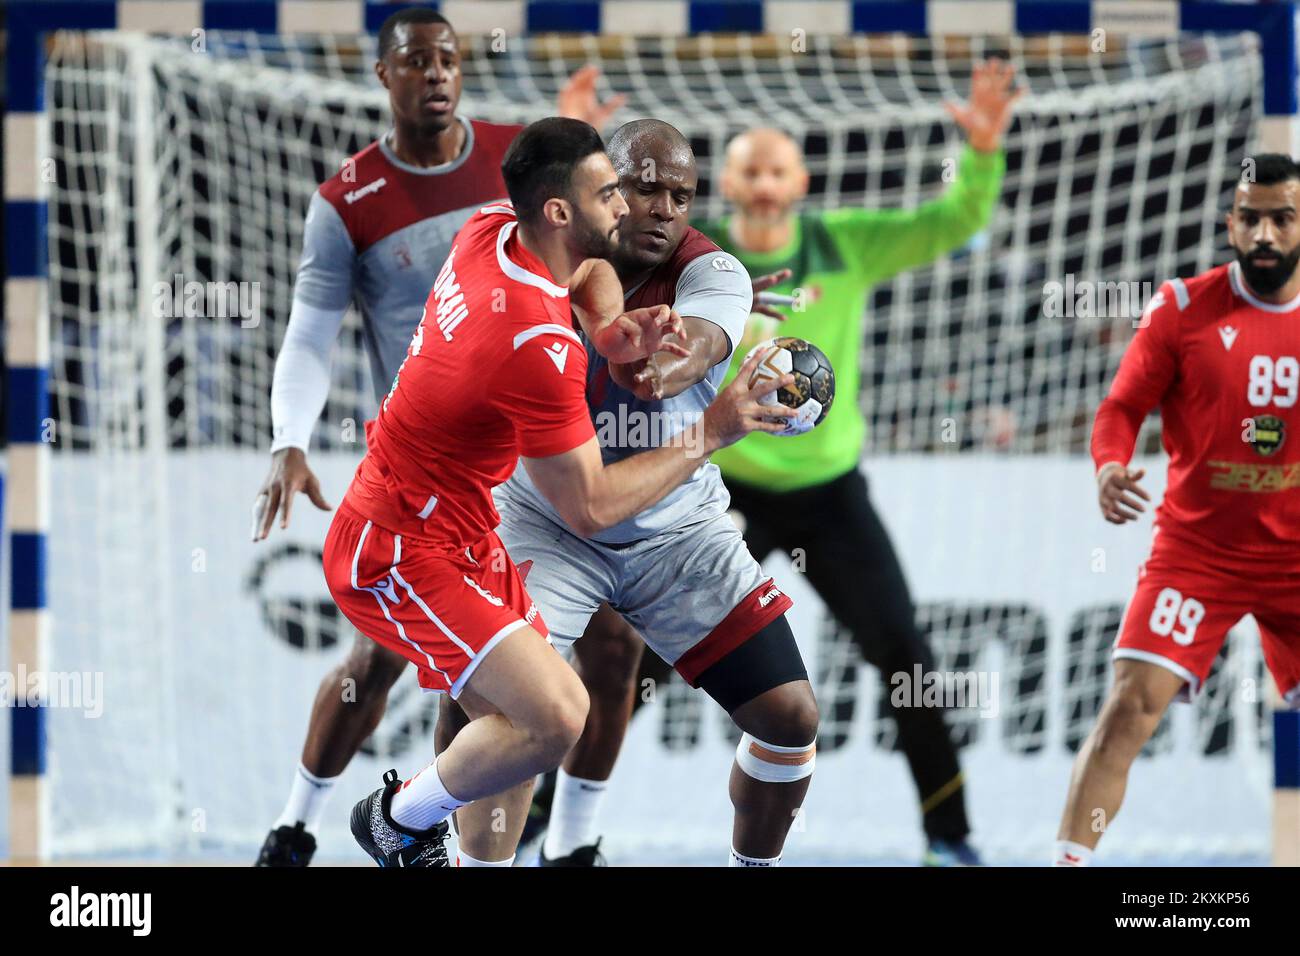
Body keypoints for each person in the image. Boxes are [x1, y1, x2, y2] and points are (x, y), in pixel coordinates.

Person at [541, 59, 1019, 866]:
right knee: (626, 669)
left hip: (829, 497)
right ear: (724, 182)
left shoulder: (844, 244)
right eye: (747, 171)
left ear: (799, 178)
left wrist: (980, 151)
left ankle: (951, 838)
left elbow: (956, 220)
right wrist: (582, 148)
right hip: (712, 492)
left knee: (905, 653)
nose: (763, 183)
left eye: (776, 168)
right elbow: (579, 245)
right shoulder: (700, 264)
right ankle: (542, 825)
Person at [252, 6, 626, 866]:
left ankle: (535, 845)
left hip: (507, 459)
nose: (437, 74)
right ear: (384, 76)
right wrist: (289, 437)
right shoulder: (351, 200)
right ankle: (300, 823)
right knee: (380, 668)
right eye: (416, 61)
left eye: (450, 59)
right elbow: (311, 333)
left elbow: (596, 251)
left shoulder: (509, 174)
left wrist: (668, 308)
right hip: (425, 459)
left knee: (547, 678)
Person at [435, 119, 820, 868]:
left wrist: (669, 358)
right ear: (604, 187)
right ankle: (461, 852)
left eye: (682, 194)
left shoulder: (717, 274)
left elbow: (682, 359)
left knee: (790, 716)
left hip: (678, 534)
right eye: (647, 188)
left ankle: (725, 863)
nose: (668, 208)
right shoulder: (542, 259)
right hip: (548, 522)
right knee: (505, 710)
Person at [1054, 153, 1300, 866]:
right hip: (1198, 554)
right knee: (1129, 710)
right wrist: (1108, 466)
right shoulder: (1184, 308)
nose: (1264, 233)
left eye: (1282, 218)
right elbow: (1122, 407)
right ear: (1230, 223)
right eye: (1250, 217)